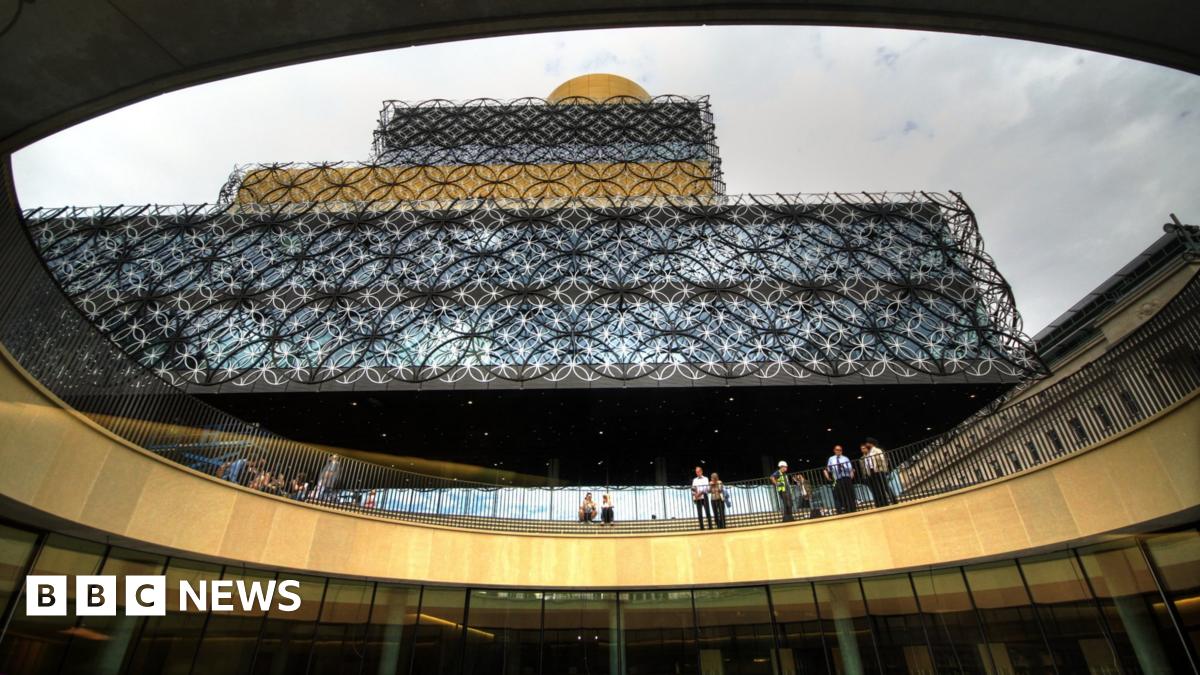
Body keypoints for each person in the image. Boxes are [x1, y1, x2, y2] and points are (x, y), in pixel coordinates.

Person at [861, 439, 894, 507]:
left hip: (879, 470)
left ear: (871, 443)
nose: (866, 445)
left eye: (867, 444)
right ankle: (884, 502)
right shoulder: (869, 453)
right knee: (880, 487)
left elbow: (882, 459)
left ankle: (893, 500)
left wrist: (880, 467)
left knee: (885, 486)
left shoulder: (876, 450)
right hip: (873, 472)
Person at [824, 445, 856, 513]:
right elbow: (829, 469)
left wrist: (843, 466)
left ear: (842, 451)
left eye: (840, 450)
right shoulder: (831, 458)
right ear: (834, 450)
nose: (838, 451)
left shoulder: (845, 458)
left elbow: (850, 468)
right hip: (837, 479)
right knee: (841, 494)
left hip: (846, 477)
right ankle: (845, 509)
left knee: (849, 493)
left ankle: (852, 509)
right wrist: (827, 472)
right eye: (837, 450)